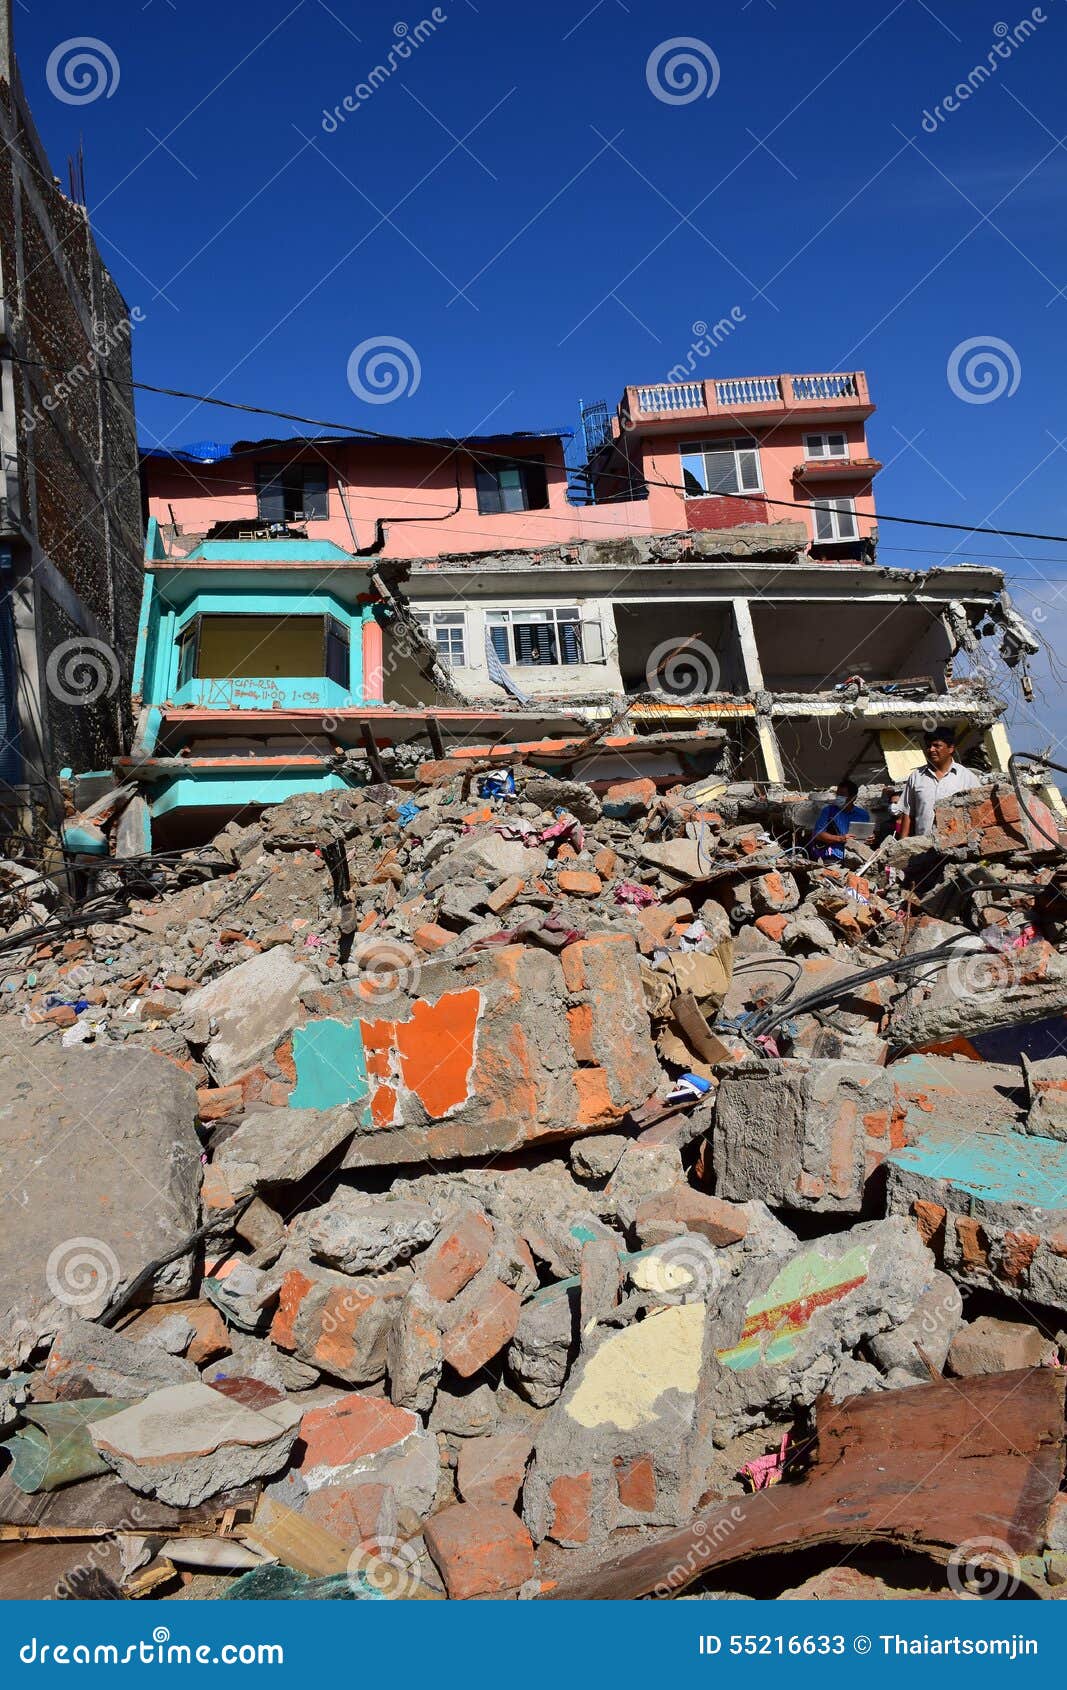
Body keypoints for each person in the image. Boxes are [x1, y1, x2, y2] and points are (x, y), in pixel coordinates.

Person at [897, 729, 980, 839]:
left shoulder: (967, 778)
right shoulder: (916, 776)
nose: (931, 750)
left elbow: (978, 813)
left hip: (956, 845)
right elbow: (908, 813)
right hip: (923, 846)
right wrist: (904, 844)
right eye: (928, 746)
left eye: (937, 745)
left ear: (950, 748)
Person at [809, 778, 870, 861]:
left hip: (855, 857)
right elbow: (818, 834)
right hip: (832, 856)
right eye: (837, 794)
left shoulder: (862, 814)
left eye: (842, 795)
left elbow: (864, 837)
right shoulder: (828, 811)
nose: (838, 797)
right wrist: (841, 838)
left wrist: (869, 838)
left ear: (853, 798)